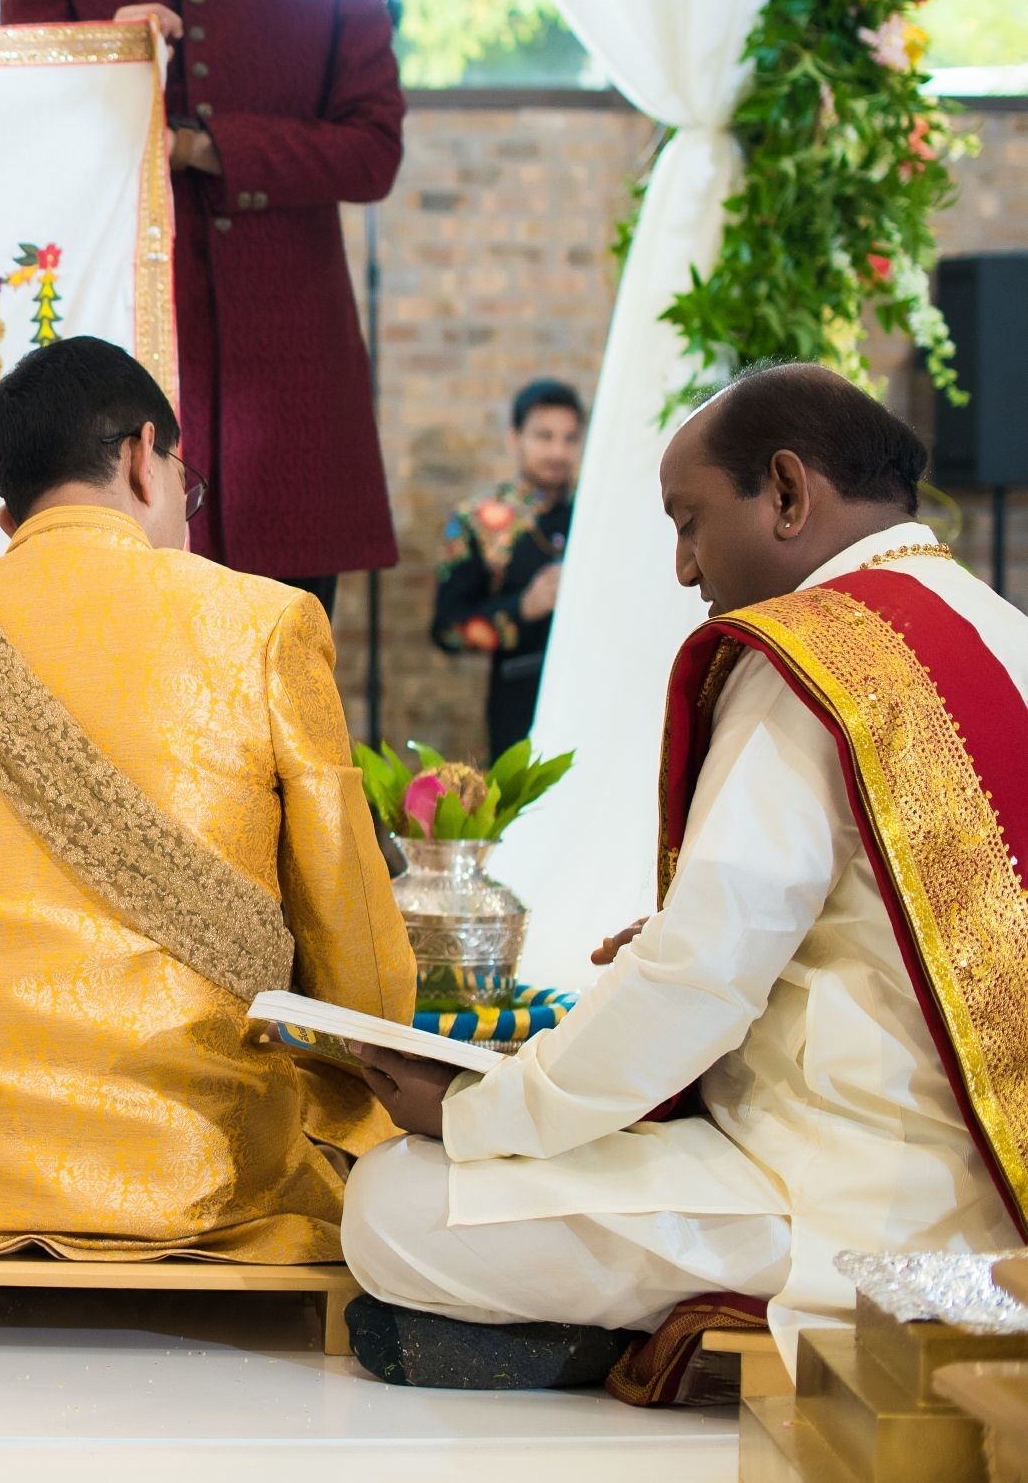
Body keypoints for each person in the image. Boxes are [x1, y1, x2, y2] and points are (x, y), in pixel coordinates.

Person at [342, 364, 1026, 1398]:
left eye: (690, 521)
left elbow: (701, 978)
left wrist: (477, 1109)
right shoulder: (999, 631)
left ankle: (701, 1318)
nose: (682, 566)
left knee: (393, 1201)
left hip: (845, 1197)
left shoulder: (816, 657)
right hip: (990, 1190)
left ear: (787, 492)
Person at [0, 337, 414, 1275]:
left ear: (10, 517)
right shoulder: (265, 623)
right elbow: (356, 958)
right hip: (202, 1172)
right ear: (142, 456)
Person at [0, 0, 406, 619]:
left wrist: (204, 146)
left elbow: (372, 151)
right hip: (126, 352)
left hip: (295, 358)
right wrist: (106, 60)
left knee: (290, 655)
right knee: (123, 657)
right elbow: (29, 144)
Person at [432, 379, 585, 757]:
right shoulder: (478, 520)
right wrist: (523, 608)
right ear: (514, 439)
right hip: (519, 703)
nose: (558, 451)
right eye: (544, 436)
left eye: (569, 438)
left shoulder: (596, 514)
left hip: (596, 696)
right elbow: (447, 629)